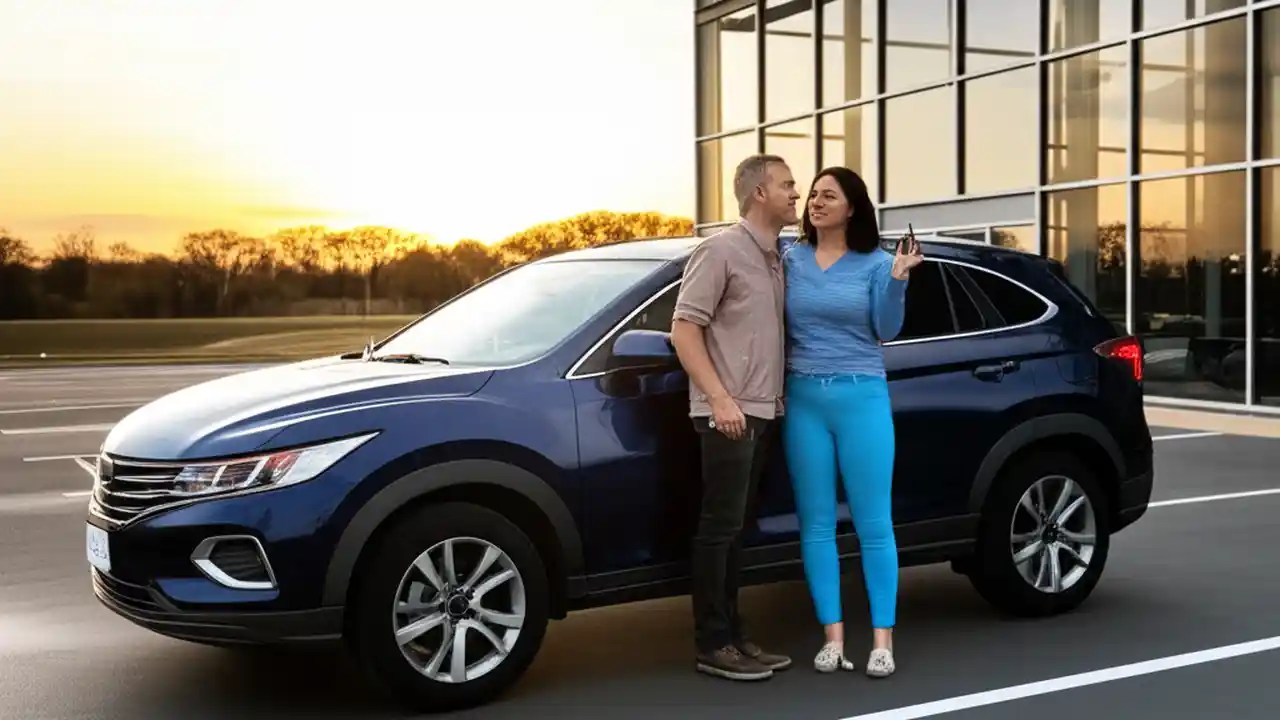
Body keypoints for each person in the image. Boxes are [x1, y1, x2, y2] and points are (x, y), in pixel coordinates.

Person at [779, 166, 922, 678]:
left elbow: (886, 328)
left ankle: (882, 640)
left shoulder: (878, 263)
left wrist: (899, 280)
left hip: (861, 399)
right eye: (812, 195)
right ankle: (832, 639)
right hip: (803, 400)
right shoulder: (789, 259)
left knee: (873, 523)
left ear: (852, 207)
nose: (815, 202)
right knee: (815, 524)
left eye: (828, 195)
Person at [670, 153, 800, 682]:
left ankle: (736, 637)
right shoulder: (719, 250)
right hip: (729, 413)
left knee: (736, 530)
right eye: (788, 185)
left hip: (763, 411)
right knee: (718, 530)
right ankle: (713, 644)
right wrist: (720, 399)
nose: (797, 193)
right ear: (759, 194)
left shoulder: (776, 258)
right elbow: (683, 330)